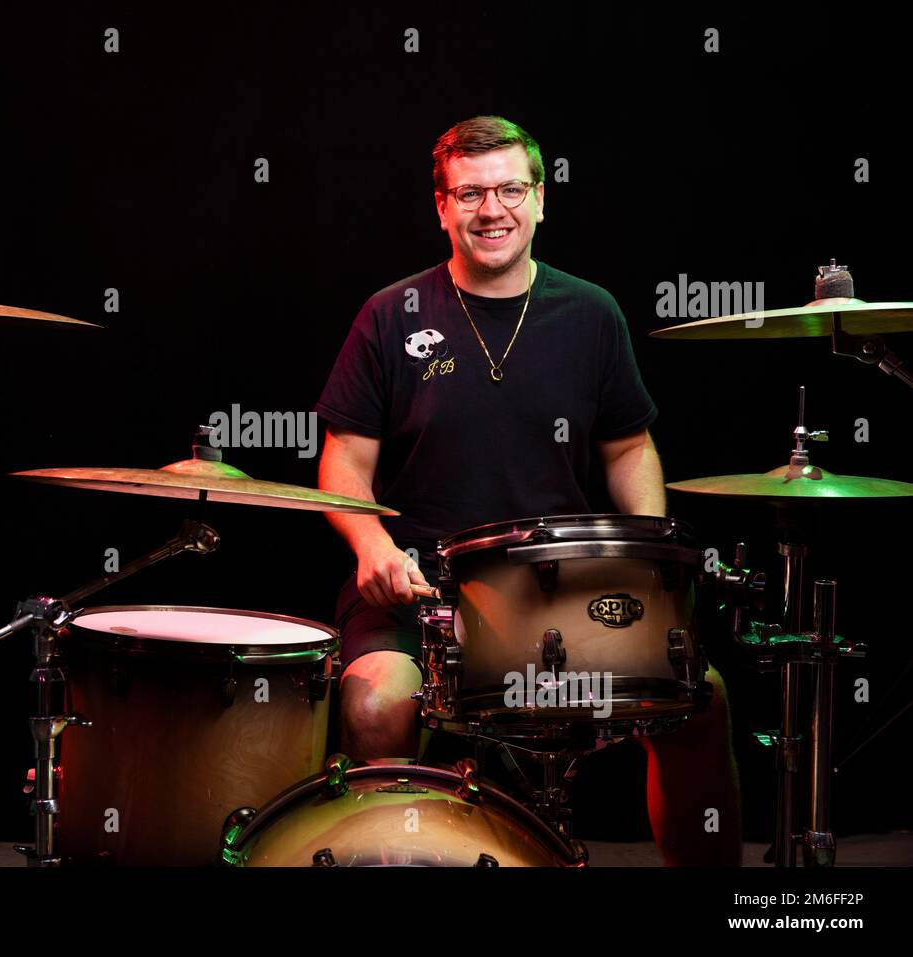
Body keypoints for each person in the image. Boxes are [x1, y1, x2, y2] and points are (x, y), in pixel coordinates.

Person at [314, 115, 741, 866]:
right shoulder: (390, 314)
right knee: (377, 702)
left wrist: (647, 560)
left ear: (541, 199)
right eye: (470, 193)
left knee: (699, 700)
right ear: (442, 206)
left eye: (511, 189)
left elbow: (629, 446)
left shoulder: (592, 312)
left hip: (563, 590)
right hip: (421, 589)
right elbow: (343, 460)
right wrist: (371, 546)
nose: (493, 210)